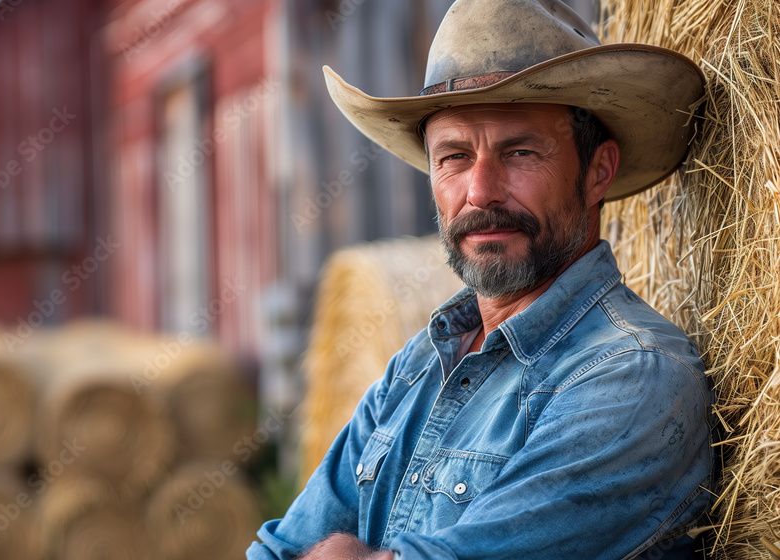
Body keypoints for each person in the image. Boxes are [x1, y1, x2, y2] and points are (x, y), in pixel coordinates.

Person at [247, 0, 715, 558]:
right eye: (454, 157)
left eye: (519, 151)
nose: (480, 191)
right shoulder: (418, 366)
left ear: (598, 171)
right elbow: (274, 551)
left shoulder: (636, 378)